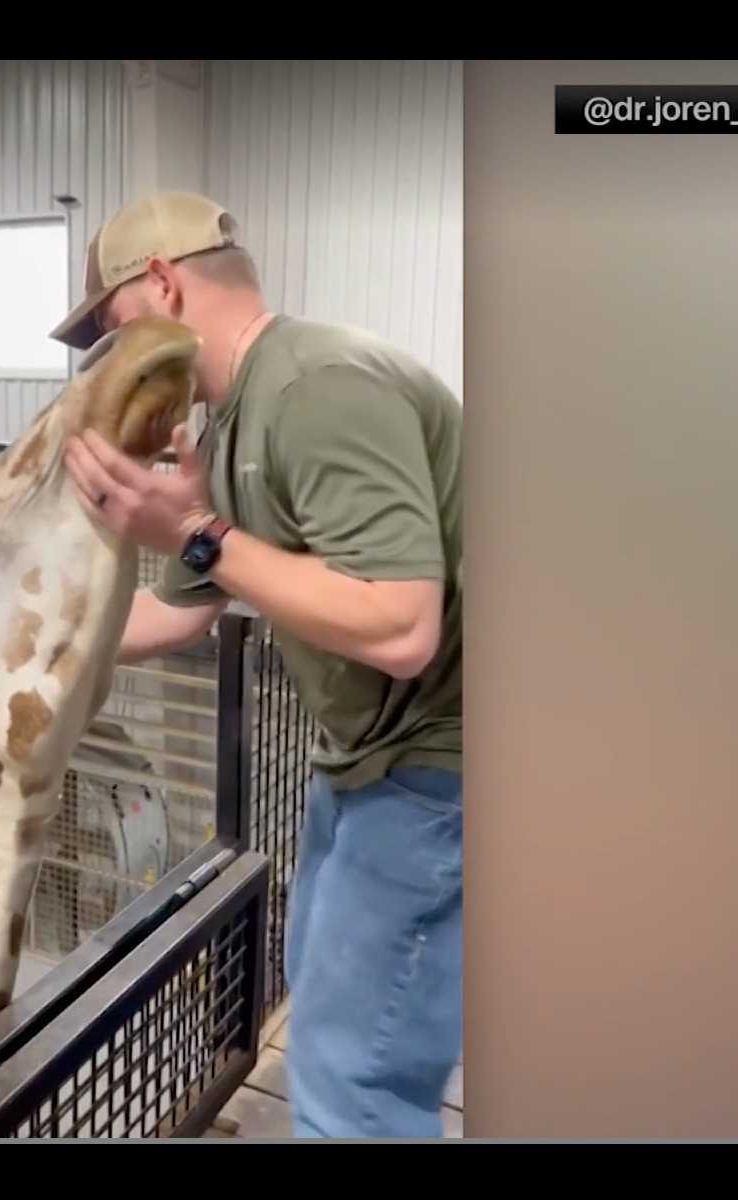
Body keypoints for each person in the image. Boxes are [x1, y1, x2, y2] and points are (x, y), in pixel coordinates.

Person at [51, 192, 463, 1139]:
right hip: (364, 759)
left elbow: (402, 625)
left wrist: (195, 531)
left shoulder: (316, 388)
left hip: (436, 762)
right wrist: (31, 641)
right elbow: (180, 612)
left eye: (113, 326)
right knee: (323, 994)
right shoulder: (232, 423)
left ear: (163, 284)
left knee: (351, 1080)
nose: (113, 356)